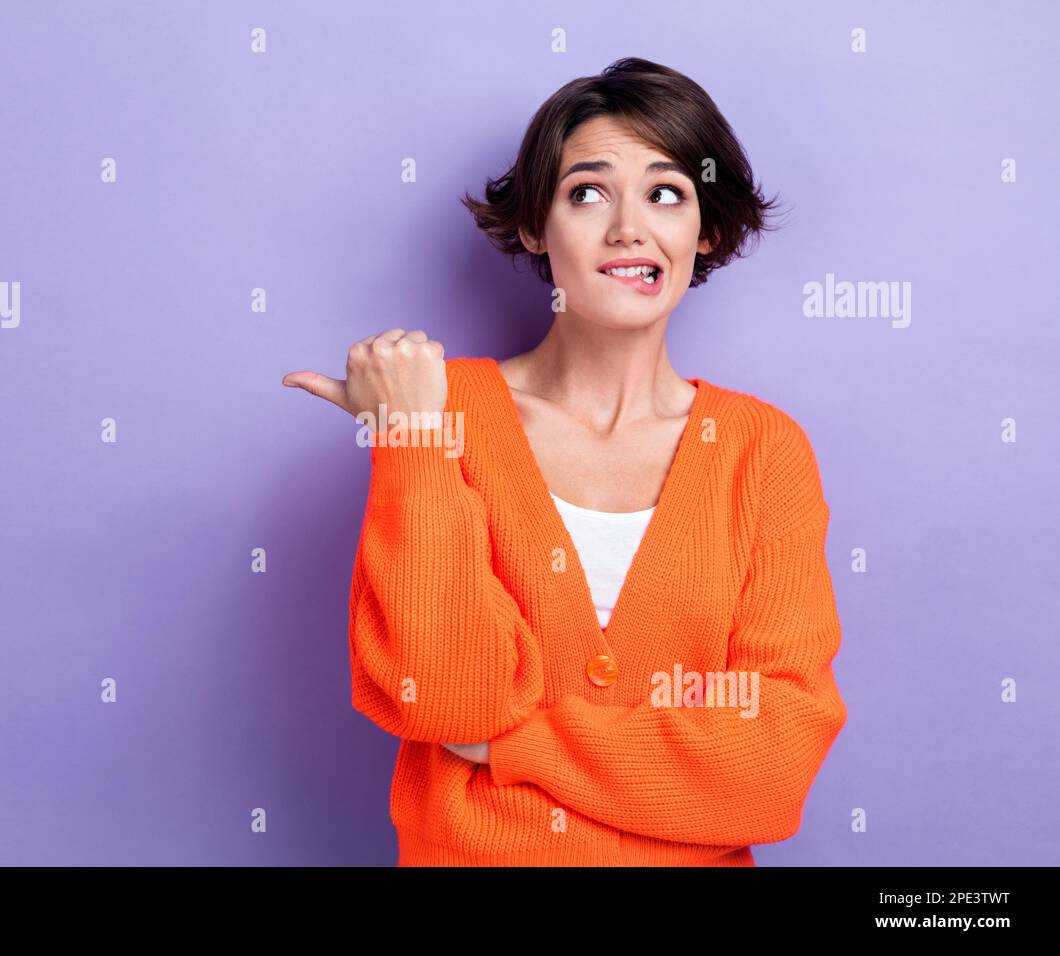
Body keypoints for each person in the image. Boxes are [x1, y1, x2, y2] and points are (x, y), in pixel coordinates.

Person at [282, 57, 846, 866]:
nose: (628, 228)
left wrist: (516, 744)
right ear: (535, 228)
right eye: (587, 192)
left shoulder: (764, 452)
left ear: (706, 229)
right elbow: (444, 699)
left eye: (666, 193)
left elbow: (771, 765)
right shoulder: (443, 413)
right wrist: (408, 439)